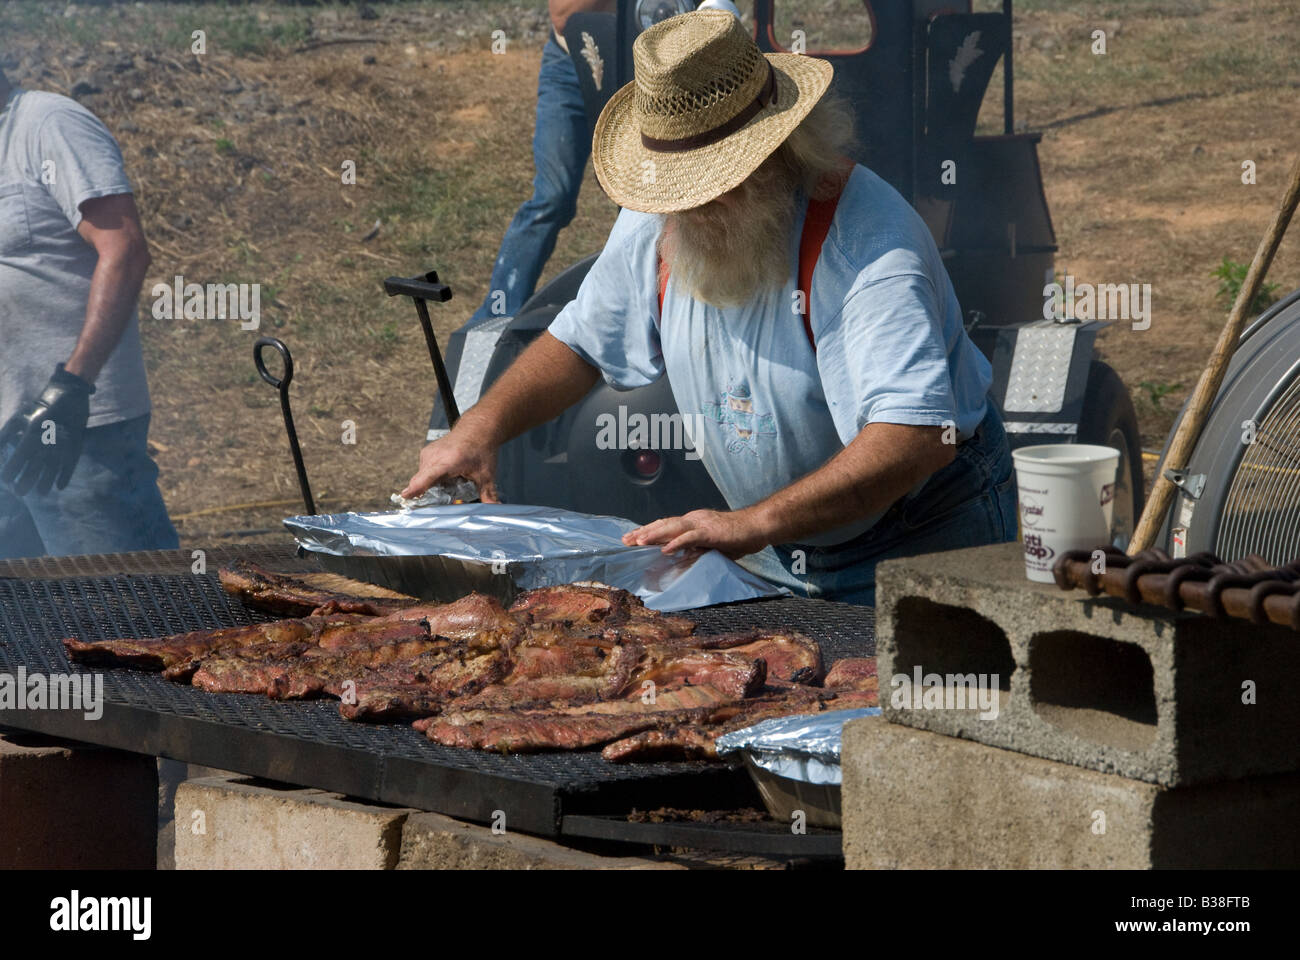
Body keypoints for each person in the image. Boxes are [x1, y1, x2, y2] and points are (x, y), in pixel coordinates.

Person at [402, 10, 1015, 605]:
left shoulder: (869, 246)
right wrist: (480, 429)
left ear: (774, 156)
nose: (680, 208)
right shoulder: (665, 216)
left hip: (923, 533)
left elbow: (914, 437)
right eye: (672, 188)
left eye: (703, 187)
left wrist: (751, 524)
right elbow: (581, 342)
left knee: (927, 702)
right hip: (779, 540)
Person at [0, 65, 178, 559]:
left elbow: (124, 250)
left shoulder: (48, 124)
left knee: (131, 608)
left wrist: (71, 387)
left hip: (77, 429)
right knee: (24, 622)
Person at [464, 0, 615, 327]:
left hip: (641, 62)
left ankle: (648, 312)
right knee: (552, 197)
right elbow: (564, 15)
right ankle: (496, 318)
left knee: (644, 202)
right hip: (570, 65)